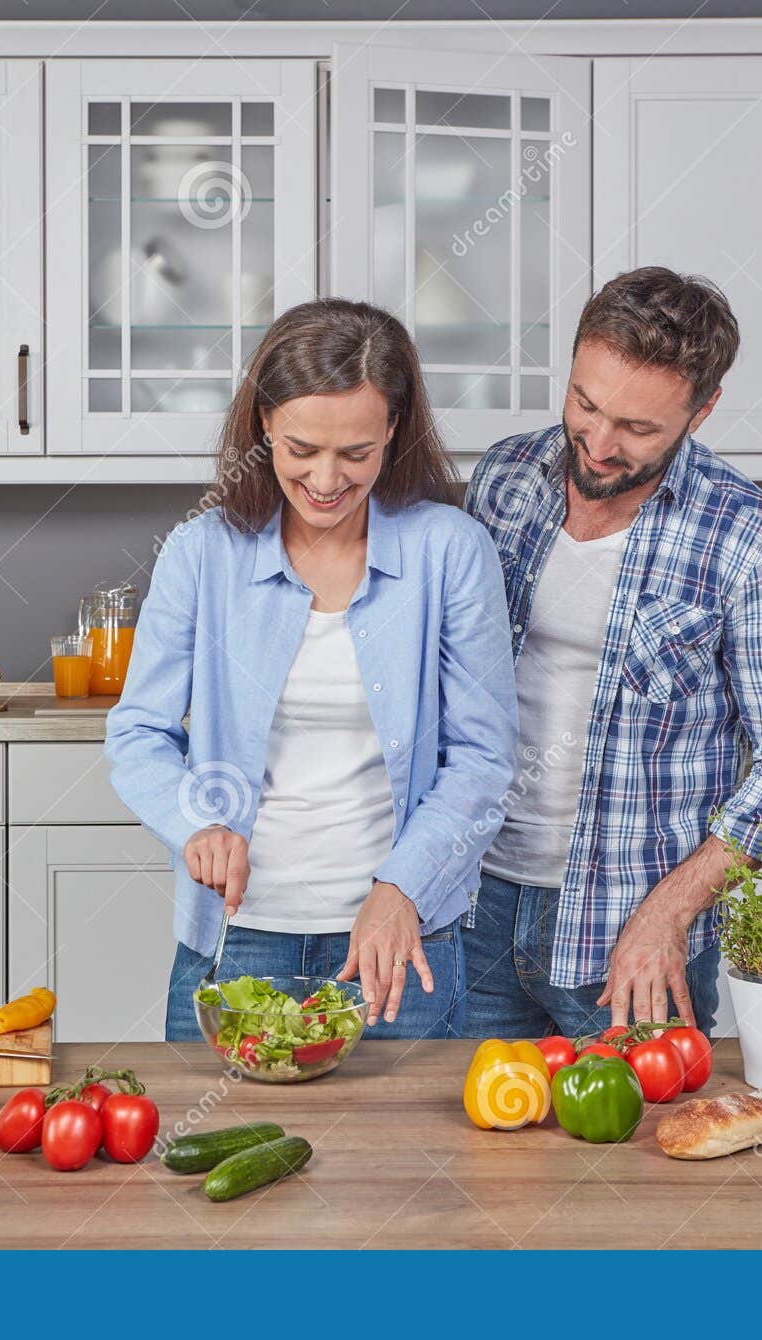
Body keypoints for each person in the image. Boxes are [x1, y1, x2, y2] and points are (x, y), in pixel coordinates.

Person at [107, 299, 518, 1042]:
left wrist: (404, 888)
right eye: (302, 448)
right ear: (263, 423)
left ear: (394, 429)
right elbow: (138, 731)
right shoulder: (202, 553)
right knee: (215, 1155)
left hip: (399, 939)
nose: (326, 479)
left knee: (400, 1160)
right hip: (240, 938)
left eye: (356, 453)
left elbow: (485, 760)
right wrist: (195, 821)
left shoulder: (450, 552)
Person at [461, 267, 762, 1038]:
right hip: (472, 904)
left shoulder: (753, 541)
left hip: (632, 923)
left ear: (703, 410)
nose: (598, 444)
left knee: (633, 1155)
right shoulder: (504, 480)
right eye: (585, 404)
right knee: (474, 1150)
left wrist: (671, 911)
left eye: (637, 428)